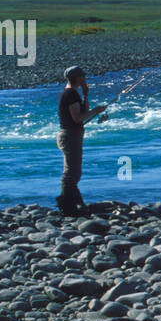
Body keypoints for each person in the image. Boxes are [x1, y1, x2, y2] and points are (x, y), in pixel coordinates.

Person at [56, 65, 107, 216]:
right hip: (70, 136)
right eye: (83, 77)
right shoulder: (70, 94)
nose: (85, 79)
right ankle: (67, 205)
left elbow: (82, 113)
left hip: (72, 135)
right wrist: (96, 111)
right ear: (78, 78)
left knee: (74, 172)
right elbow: (77, 118)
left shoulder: (73, 93)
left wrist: (85, 95)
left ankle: (76, 203)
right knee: (71, 173)